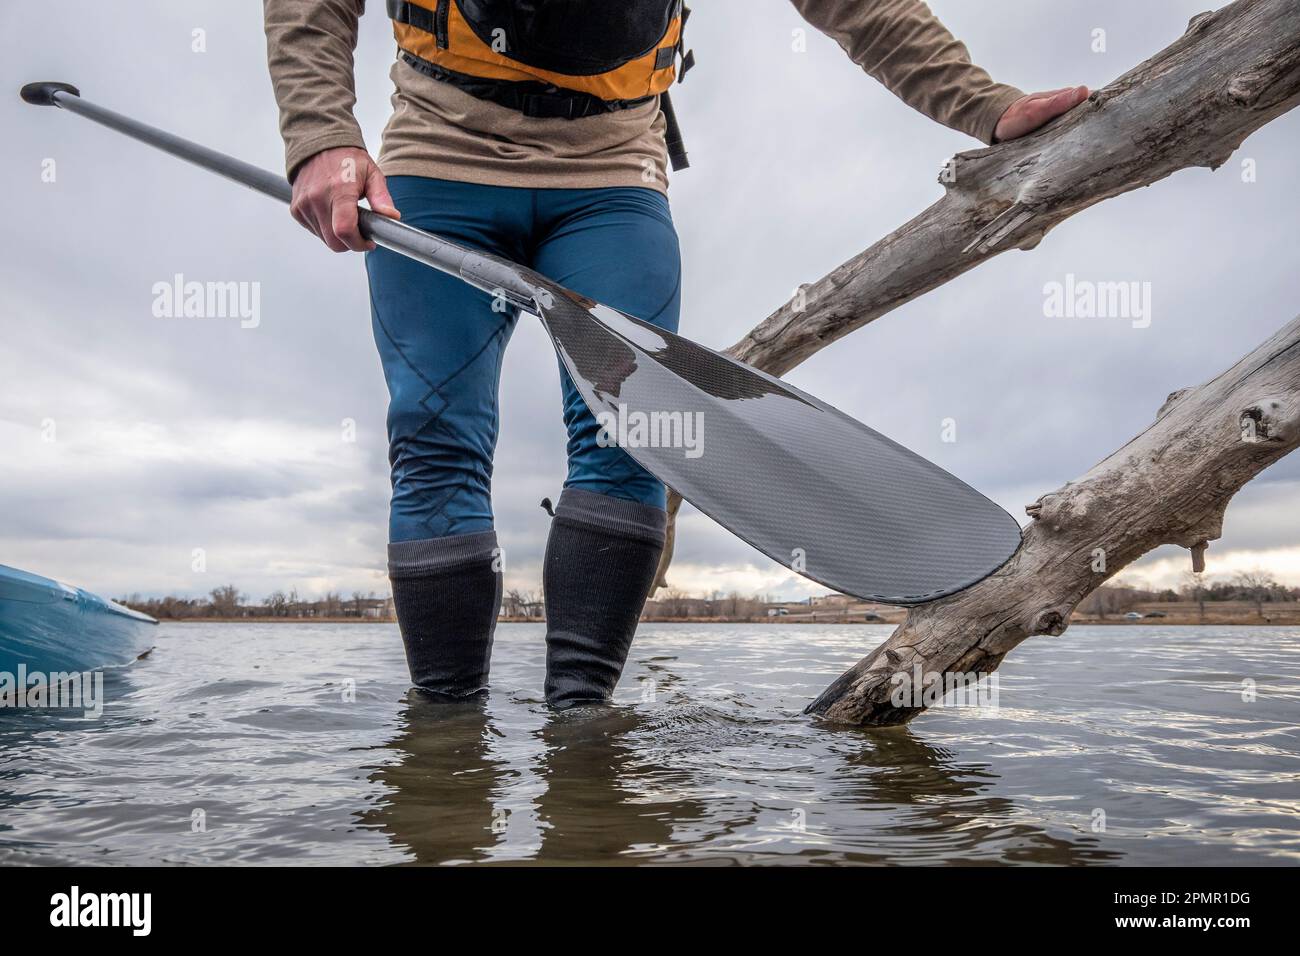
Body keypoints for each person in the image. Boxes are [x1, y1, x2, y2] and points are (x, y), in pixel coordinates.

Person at [264, 0, 1087, 708]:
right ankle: (444, 743)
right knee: (434, 435)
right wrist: (319, 136)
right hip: (437, 169)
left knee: (633, 436)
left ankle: (582, 737)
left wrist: (983, 105)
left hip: (612, 177)